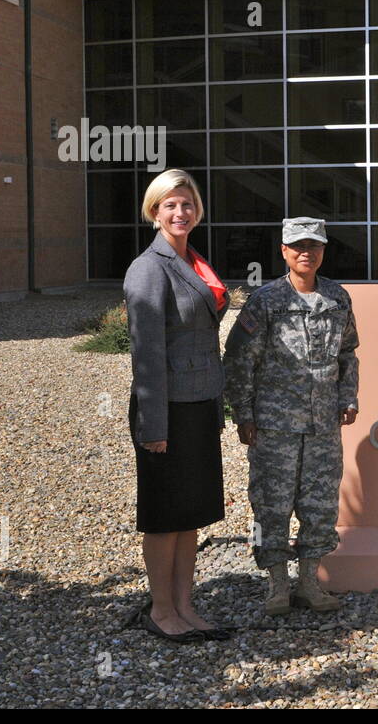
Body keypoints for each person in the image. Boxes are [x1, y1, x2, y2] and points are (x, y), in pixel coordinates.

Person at [223, 217, 360, 616]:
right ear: (283, 251)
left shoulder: (337, 298)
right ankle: (277, 587)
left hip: (322, 427)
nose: (307, 252)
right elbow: (239, 360)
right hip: (273, 426)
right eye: (298, 245)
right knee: (271, 505)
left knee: (319, 506)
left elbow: (348, 353)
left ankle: (310, 584)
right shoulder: (266, 300)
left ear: (323, 251)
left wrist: (348, 396)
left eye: (314, 245)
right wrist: (243, 413)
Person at [123, 169, 230, 643]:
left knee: (192, 515)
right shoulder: (150, 267)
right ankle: (160, 610)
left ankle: (186, 605)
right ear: (154, 211)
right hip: (167, 412)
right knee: (167, 517)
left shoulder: (193, 262)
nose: (180, 212)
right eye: (170, 205)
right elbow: (147, 354)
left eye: (187, 204)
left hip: (200, 405)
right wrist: (153, 424)